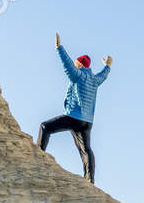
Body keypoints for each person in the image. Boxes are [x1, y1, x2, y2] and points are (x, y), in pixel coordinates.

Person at [36, 32, 112, 184]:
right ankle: (90, 179)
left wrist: (59, 48)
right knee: (86, 150)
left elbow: (67, 65)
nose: (75, 65)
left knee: (45, 127)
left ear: (80, 65)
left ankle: (37, 157)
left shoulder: (78, 75)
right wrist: (108, 65)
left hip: (73, 117)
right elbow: (103, 75)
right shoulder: (94, 79)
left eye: (77, 63)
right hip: (87, 122)